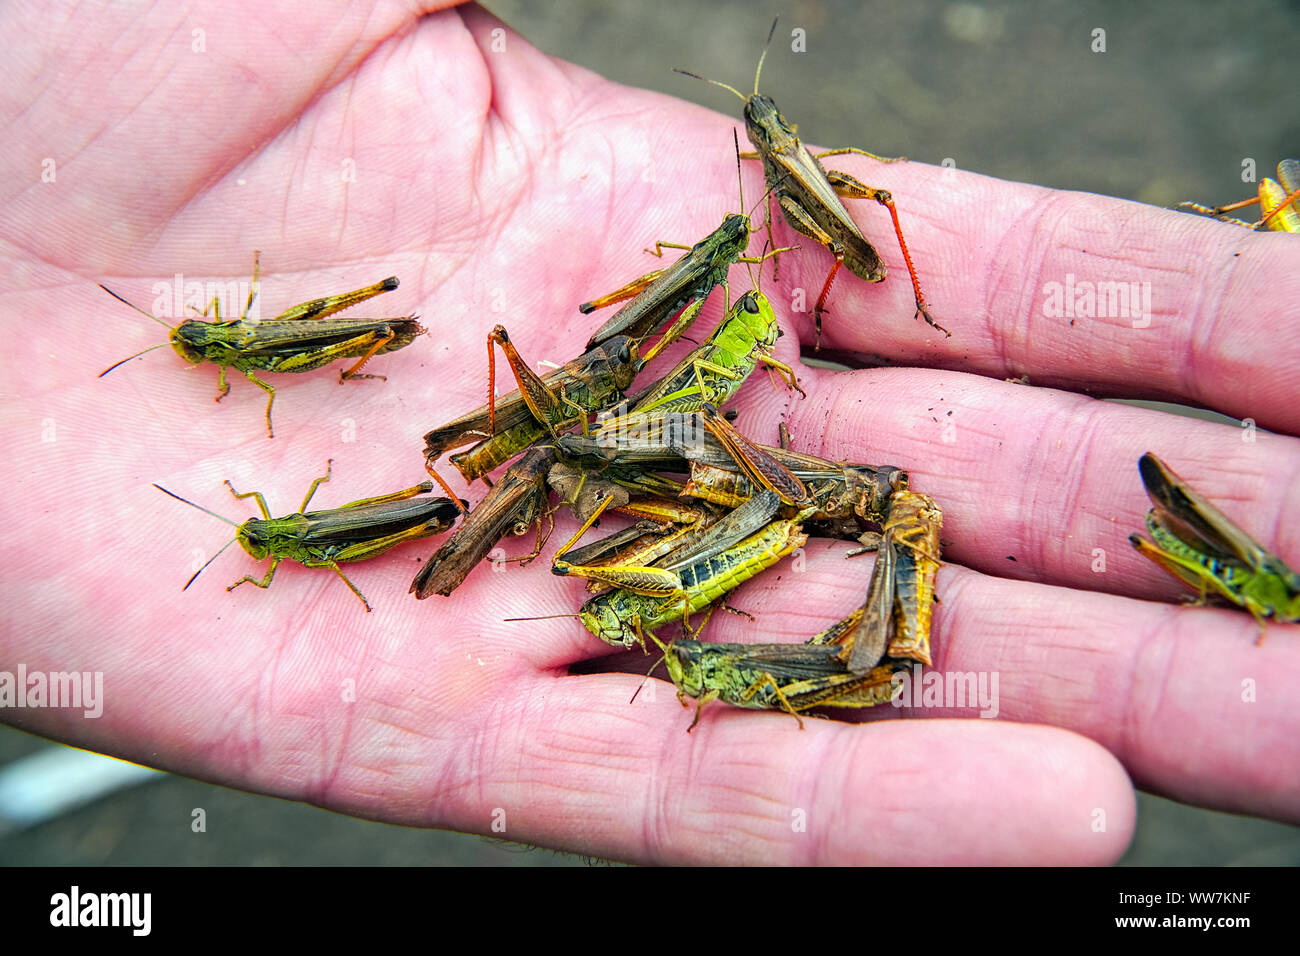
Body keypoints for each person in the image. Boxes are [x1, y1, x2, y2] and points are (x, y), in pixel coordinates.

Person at [1, 1, 1296, 865]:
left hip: (643, 420)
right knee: (582, 458)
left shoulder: (739, 252)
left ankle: (675, 493)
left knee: (641, 443)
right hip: (599, 427)